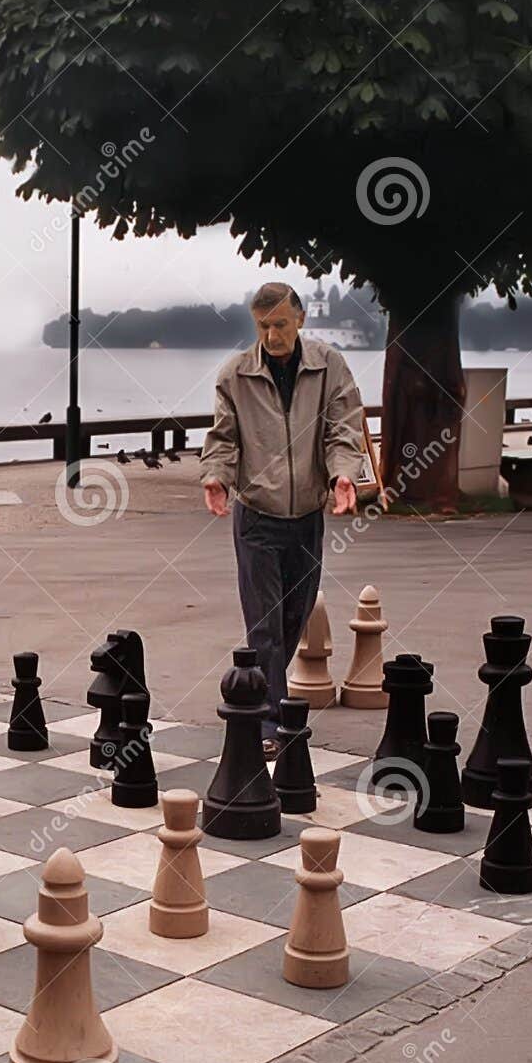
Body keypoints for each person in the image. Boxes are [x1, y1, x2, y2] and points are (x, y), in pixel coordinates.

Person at [200, 281, 361, 755]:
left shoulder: (330, 366)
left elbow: (343, 428)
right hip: (256, 515)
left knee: (294, 616)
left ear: (300, 319)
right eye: (263, 326)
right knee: (265, 623)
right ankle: (268, 722)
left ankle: (257, 692)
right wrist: (216, 477)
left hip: (307, 514)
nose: (272, 336)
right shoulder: (235, 375)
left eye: (281, 325)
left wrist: (343, 475)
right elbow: (223, 437)